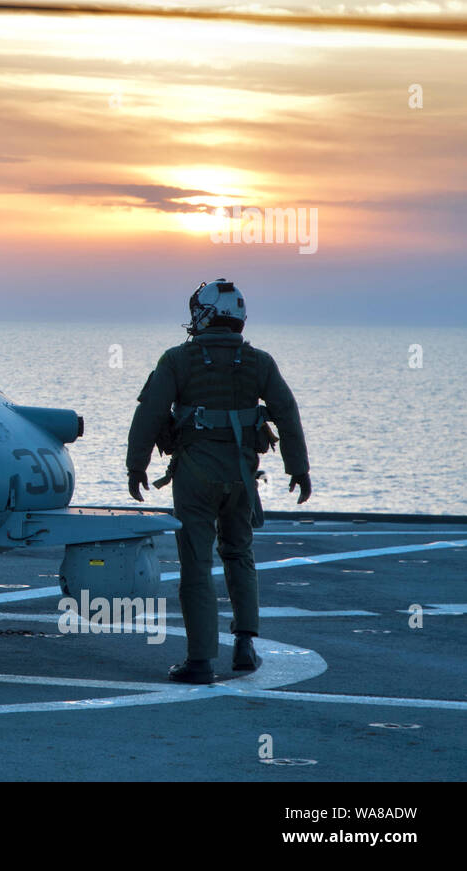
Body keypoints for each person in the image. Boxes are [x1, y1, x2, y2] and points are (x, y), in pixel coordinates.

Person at [126, 279, 310, 684]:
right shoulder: (260, 362)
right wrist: (299, 469)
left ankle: (200, 661)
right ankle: (245, 645)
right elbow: (287, 412)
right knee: (239, 555)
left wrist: (135, 466)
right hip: (242, 476)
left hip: (194, 474)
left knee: (196, 565)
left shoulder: (177, 359)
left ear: (203, 314)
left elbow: (151, 414)